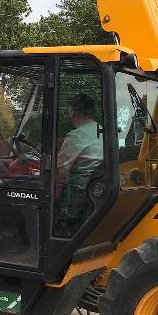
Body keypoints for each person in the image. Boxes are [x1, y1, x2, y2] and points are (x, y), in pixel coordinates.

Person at [55, 93, 104, 236]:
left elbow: (58, 175)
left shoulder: (75, 137)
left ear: (73, 112)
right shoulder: (104, 132)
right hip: (97, 196)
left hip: (77, 206)